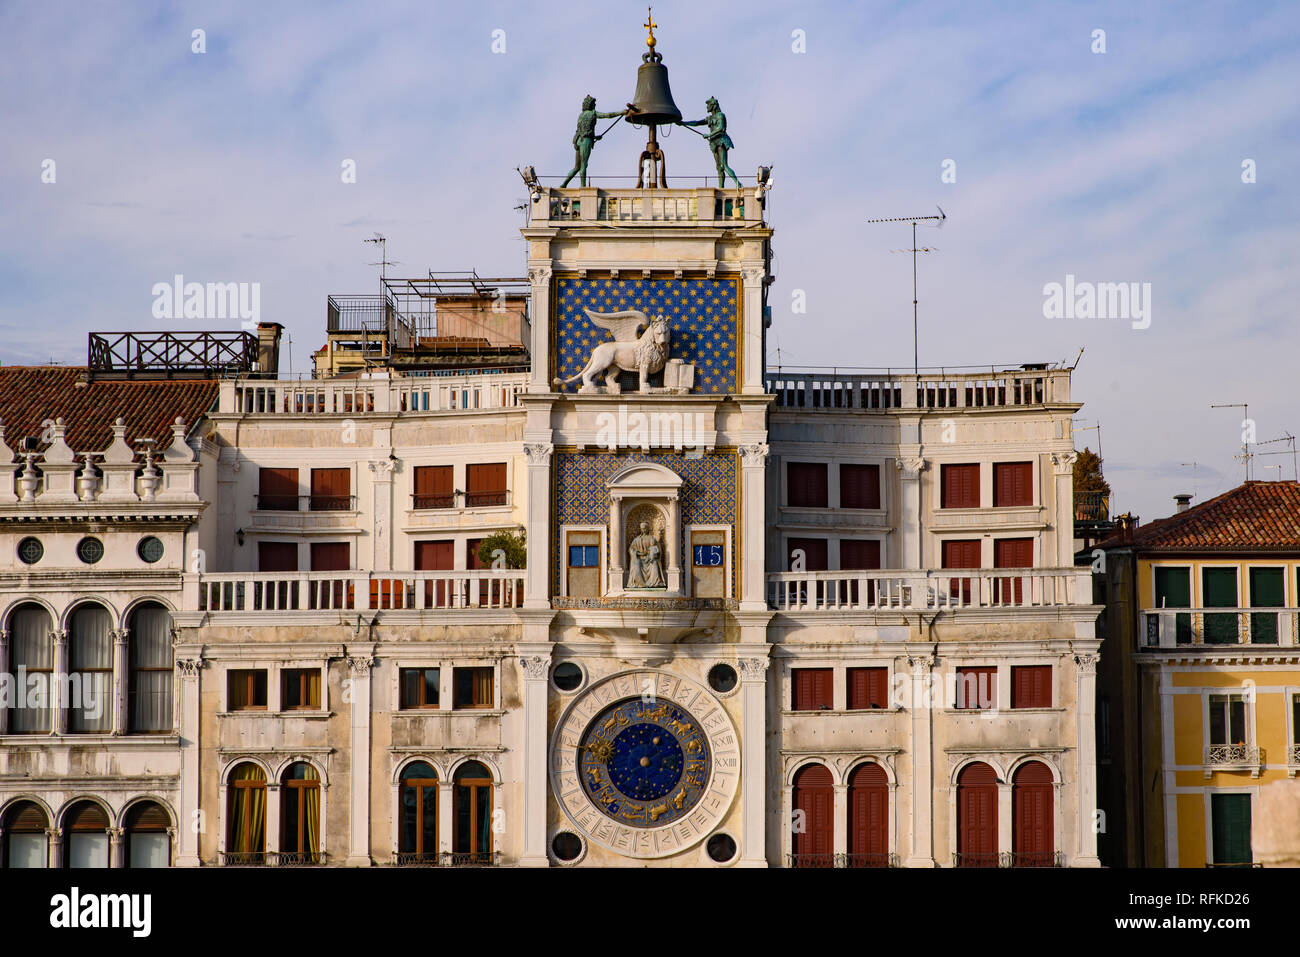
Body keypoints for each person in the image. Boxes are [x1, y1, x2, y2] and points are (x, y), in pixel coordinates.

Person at [561, 96, 626, 188]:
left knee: (576, 167)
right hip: (586, 141)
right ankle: (583, 187)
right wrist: (621, 113)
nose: (595, 105)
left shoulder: (581, 115)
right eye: (594, 104)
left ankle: (564, 184)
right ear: (591, 105)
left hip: (579, 140)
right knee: (584, 165)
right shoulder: (593, 113)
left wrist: (594, 137)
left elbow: (581, 130)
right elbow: (607, 115)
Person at [679, 97, 741, 188]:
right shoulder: (710, 118)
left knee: (724, 165)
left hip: (721, 141)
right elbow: (697, 123)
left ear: (713, 106)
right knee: (719, 168)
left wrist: (709, 135)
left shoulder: (720, 115)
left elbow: (721, 128)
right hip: (714, 143)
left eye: (708, 105)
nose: (707, 107)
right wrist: (684, 123)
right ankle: (721, 188)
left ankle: (738, 183)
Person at [626, 521, 664, 588]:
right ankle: (640, 583)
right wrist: (638, 553)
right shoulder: (637, 539)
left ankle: (654, 582)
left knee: (654, 564)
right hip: (639, 559)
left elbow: (657, 549)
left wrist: (651, 554)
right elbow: (631, 549)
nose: (644, 530)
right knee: (636, 565)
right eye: (642, 528)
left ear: (648, 528)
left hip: (650, 559)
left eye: (645, 528)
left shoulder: (652, 539)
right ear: (640, 529)